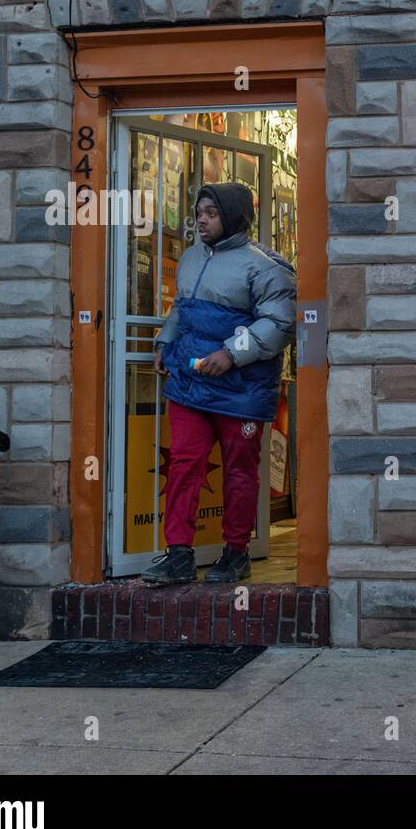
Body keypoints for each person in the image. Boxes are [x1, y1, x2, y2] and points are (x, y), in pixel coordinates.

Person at [144, 183, 296, 585]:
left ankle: (236, 552)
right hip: (191, 386)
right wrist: (165, 342)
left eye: (211, 212)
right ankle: (178, 554)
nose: (202, 220)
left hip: (241, 389)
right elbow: (181, 308)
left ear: (232, 215)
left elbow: (280, 323)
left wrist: (231, 352)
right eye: (199, 213)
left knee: (239, 472)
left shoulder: (267, 266)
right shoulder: (193, 257)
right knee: (183, 466)